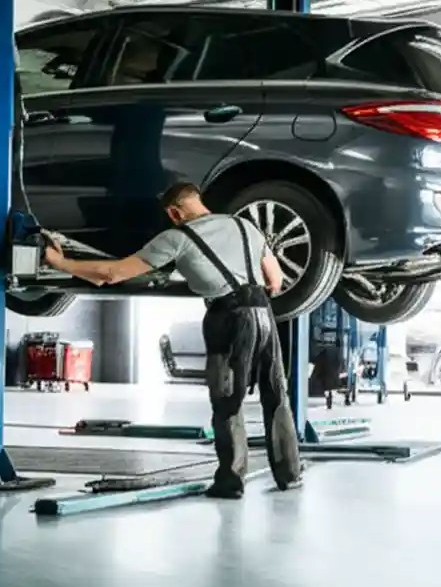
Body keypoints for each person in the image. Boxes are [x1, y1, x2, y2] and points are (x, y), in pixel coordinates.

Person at [42, 182, 303, 498]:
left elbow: (111, 274)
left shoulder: (176, 238)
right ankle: (290, 475)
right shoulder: (244, 225)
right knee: (276, 394)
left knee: (227, 402)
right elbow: (275, 281)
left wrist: (60, 263)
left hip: (228, 319)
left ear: (174, 212)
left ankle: (231, 483)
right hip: (264, 313)